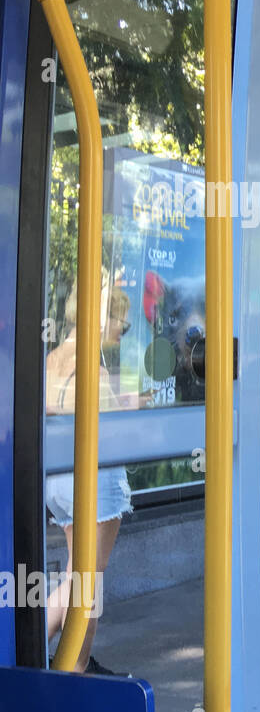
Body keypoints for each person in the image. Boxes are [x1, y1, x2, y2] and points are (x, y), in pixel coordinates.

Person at [44, 279, 135, 675]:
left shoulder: (53, 358)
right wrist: (132, 404)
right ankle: (74, 671)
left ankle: (40, 654)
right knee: (87, 585)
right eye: (121, 321)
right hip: (94, 483)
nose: (122, 330)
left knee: (74, 574)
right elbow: (111, 426)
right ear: (101, 317)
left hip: (59, 482)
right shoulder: (92, 367)